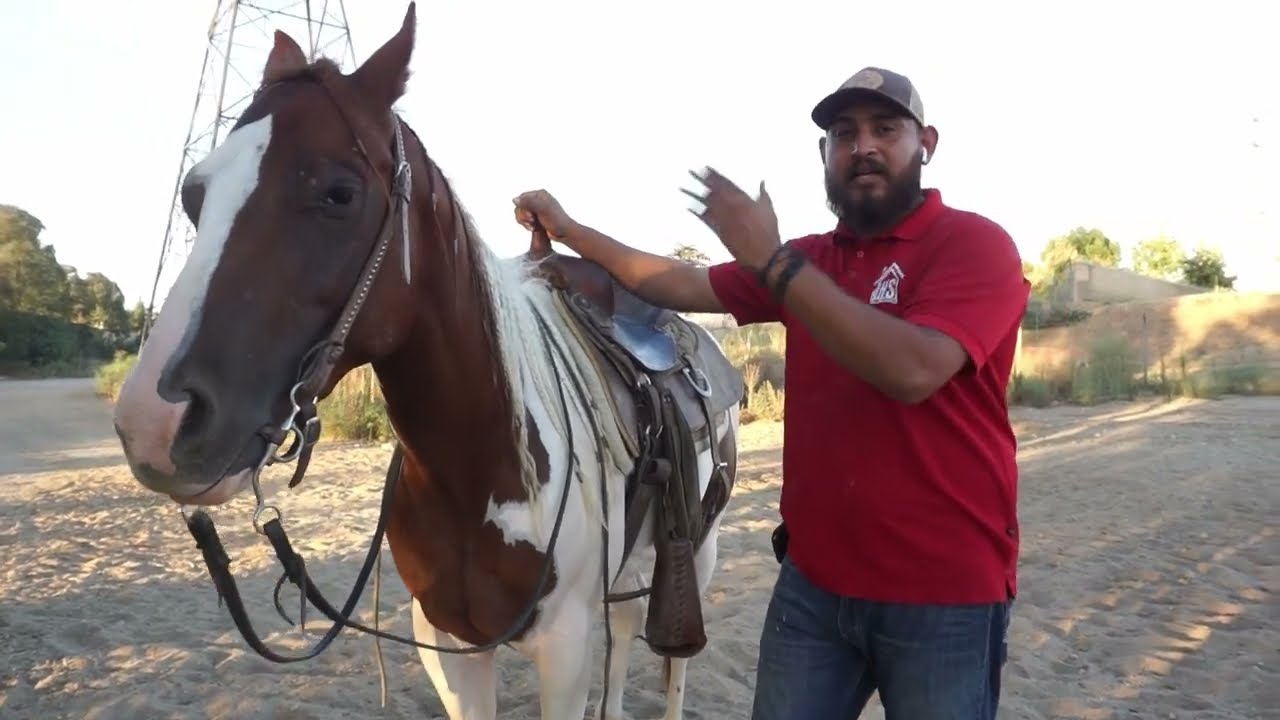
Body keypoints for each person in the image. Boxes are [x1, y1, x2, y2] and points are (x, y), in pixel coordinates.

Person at [513, 66, 1030, 720]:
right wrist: (569, 230)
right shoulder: (813, 260)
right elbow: (676, 282)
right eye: (844, 134)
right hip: (815, 591)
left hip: (945, 598)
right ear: (824, 153)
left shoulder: (974, 245)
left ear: (926, 144)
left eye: (885, 129)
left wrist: (776, 262)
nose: (863, 147)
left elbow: (913, 370)